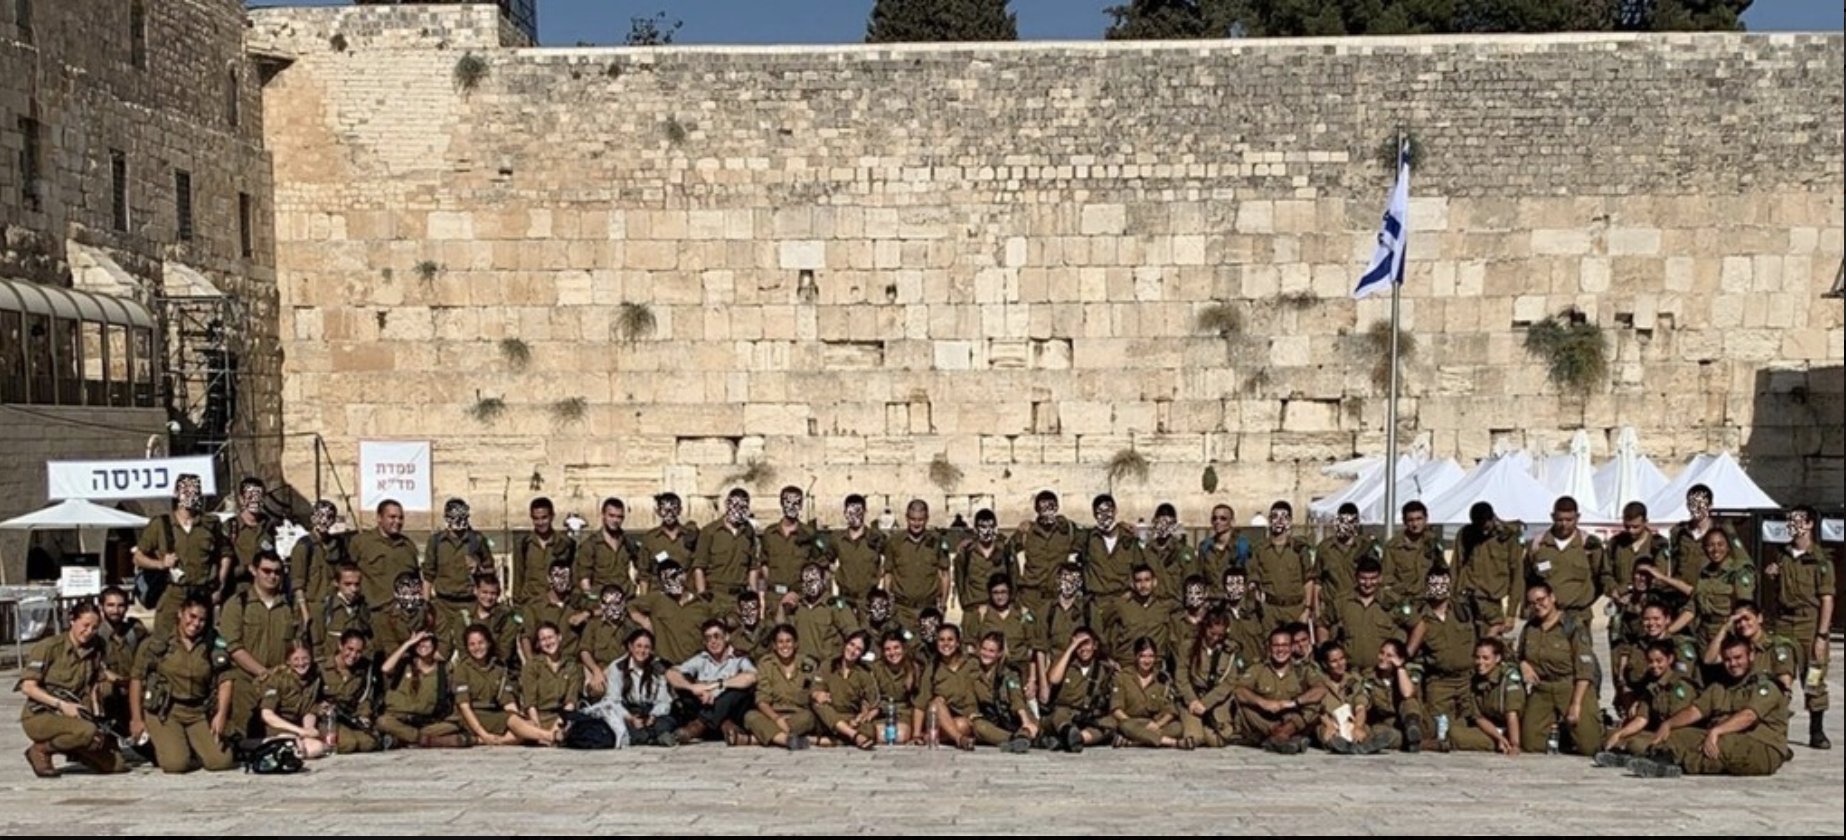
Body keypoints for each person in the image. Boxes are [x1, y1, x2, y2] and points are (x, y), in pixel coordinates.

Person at [1628, 634, 1794, 777]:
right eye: (1727, 659)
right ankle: (1660, 757)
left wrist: (1716, 731)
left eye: (1738, 658)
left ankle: (1677, 764)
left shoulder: (1765, 686)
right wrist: (1669, 724)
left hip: (1762, 746)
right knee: (1677, 735)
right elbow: (1695, 710)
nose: (1733, 664)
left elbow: (1749, 716)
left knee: (1722, 745)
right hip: (1726, 737)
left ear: (1751, 656)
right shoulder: (1720, 686)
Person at [18, 602, 126, 777]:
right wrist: (61, 705)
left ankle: (74, 748)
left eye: (94, 627)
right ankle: (41, 750)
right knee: (87, 731)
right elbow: (28, 687)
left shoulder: (96, 646)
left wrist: (128, 683)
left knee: (116, 764)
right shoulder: (49, 647)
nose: (89, 631)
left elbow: (98, 676)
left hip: (76, 715)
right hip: (42, 715)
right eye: (85, 625)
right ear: (72, 620)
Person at [131, 595, 236, 773]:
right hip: (165, 711)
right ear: (180, 613)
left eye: (202, 620)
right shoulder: (158, 643)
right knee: (176, 765)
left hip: (198, 712)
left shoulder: (212, 643)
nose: (196, 623)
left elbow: (225, 679)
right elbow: (137, 679)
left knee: (220, 762)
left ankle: (191, 746)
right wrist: (137, 719)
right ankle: (162, 745)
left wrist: (221, 715)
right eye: (192, 616)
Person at [1764, 503, 1833, 749]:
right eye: (1790, 520)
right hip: (1784, 624)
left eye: (1798, 520)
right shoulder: (1782, 555)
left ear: (1810, 524)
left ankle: (1817, 730)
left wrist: (1822, 636)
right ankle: (1778, 731)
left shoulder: (1820, 561)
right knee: (1781, 676)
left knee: (1814, 678)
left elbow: (1827, 599)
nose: (1792, 524)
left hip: (1809, 624)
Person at [132, 473, 230, 632]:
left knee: (201, 638)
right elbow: (138, 558)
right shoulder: (161, 524)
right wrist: (160, 564)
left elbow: (225, 554)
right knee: (165, 638)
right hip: (173, 592)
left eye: (194, 491)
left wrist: (220, 585)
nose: (190, 495)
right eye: (186, 491)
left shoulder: (210, 524)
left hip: (202, 593)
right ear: (177, 493)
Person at [220, 549, 301, 740]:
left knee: (282, 737)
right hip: (246, 682)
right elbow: (234, 647)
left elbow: (297, 642)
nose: (272, 576)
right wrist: (263, 673)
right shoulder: (238, 603)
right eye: (266, 571)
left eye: (277, 572)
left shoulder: (289, 605)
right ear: (253, 570)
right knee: (244, 735)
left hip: (280, 683)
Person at [1517, 582, 1604, 755]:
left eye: (1541, 600)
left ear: (1552, 598)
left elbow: (1585, 668)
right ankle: (1561, 731)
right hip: (1543, 688)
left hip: (1571, 686)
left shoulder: (1572, 626)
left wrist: (1576, 704)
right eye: (1532, 603)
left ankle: (1600, 728)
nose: (1537, 606)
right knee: (1531, 744)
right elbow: (1518, 654)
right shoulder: (1530, 628)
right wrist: (1523, 664)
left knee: (1590, 747)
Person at [1596, 639, 1698, 766]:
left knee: (1635, 744)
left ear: (1670, 659)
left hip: (1678, 735)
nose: (1654, 665)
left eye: (1659, 661)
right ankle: (1623, 754)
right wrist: (1620, 734)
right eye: (1650, 661)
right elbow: (1642, 719)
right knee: (1614, 735)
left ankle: (1641, 755)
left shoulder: (1680, 686)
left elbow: (1684, 719)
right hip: (1660, 732)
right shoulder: (1653, 686)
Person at [1406, 564, 1478, 730]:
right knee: (1437, 728)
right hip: (1439, 683)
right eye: (1434, 584)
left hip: (1467, 681)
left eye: (1443, 584)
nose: (1438, 588)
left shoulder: (1464, 611)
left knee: (1470, 726)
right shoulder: (1419, 616)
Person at [666, 619, 759, 744]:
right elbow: (671, 673)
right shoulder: (701, 658)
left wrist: (713, 687)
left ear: (726, 637)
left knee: (737, 692)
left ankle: (698, 726)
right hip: (705, 704)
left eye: (717, 636)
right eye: (708, 638)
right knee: (684, 690)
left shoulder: (738, 658)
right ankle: (725, 725)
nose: (713, 641)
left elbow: (752, 677)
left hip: (732, 709)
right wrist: (693, 688)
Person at [1234, 627, 1326, 753]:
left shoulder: (1303, 669)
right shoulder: (1258, 668)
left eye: (1284, 645)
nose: (1280, 650)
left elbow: (1320, 689)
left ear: (1292, 647)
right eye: (1276, 645)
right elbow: (1239, 690)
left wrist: (1293, 703)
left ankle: (1281, 736)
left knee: (1315, 704)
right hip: (1266, 720)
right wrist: (1263, 703)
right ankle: (1284, 737)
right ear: (1269, 648)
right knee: (1243, 706)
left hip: (1293, 718)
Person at [377, 629, 470, 749]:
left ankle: (403, 739)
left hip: (426, 722)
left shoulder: (444, 669)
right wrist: (408, 643)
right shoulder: (405, 664)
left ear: (434, 645)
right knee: (383, 722)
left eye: (426, 641)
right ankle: (427, 741)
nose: (422, 645)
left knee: (454, 725)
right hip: (398, 719)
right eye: (419, 642)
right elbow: (385, 668)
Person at [1523, 496, 1604, 628]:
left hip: (1578, 616)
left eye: (1569, 520)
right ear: (1552, 517)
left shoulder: (1589, 545)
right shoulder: (1538, 545)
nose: (1564, 524)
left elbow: (1601, 578)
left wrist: (1586, 600)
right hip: (1545, 616)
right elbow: (1527, 579)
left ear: (1577, 517)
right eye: (1559, 520)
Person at [1325, 558, 1410, 673]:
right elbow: (1322, 624)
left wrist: (1406, 655)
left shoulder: (1393, 601)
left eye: (1373, 578)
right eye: (1363, 578)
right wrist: (1326, 652)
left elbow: (1419, 625)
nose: (1368, 583)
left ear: (1380, 578)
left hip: (1382, 674)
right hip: (1349, 673)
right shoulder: (1342, 601)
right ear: (1356, 577)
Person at [507, 622, 583, 747]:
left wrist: (557, 725)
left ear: (559, 637)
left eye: (550, 637)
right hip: (537, 717)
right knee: (516, 726)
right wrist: (538, 728)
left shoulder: (571, 665)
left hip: (561, 717)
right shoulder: (532, 666)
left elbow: (571, 701)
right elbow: (530, 702)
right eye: (543, 639)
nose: (548, 642)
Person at [743, 624, 818, 750]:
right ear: (774, 645)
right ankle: (786, 740)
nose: (785, 646)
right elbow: (762, 700)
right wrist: (777, 719)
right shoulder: (766, 664)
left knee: (809, 718)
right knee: (750, 716)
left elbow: (814, 691)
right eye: (780, 642)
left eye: (788, 641)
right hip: (772, 714)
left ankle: (767, 736)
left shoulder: (808, 664)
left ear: (795, 644)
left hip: (797, 715)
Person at [1677, 529, 1756, 647]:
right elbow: (1691, 609)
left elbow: (1745, 607)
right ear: (1704, 549)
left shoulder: (1738, 572)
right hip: (1703, 634)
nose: (1715, 550)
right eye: (1710, 545)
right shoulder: (1703, 574)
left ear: (1728, 547)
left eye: (1720, 544)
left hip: (1728, 632)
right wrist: (1668, 631)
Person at [1454, 501, 1523, 637]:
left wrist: (1511, 613)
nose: (1483, 531)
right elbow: (1455, 567)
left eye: (1486, 527)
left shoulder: (1508, 538)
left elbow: (1517, 575)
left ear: (1492, 518)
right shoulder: (1466, 534)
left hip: (1491, 605)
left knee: (1490, 646)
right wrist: (1452, 599)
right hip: (1466, 601)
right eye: (1478, 527)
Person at [1447, 638, 1526, 755]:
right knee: (1453, 726)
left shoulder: (1508, 679)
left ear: (1497, 658)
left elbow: (1512, 715)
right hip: (1491, 728)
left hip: (1510, 729)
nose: (1480, 662)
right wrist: (1498, 737)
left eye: (1485, 658)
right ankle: (1498, 741)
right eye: (1477, 658)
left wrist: (1515, 745)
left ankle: (1503, 744)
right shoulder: (1476, 679)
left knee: (1456, 736)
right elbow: (1478, 717)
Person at [254, 640, 331, 759]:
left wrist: (308, 729)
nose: (301, 663)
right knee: (298, 747)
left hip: (298, 728)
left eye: (305, 658)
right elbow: (267, 715)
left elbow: (309, 709)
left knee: (317, 747)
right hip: (276, 728)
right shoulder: (277, 679)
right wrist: (300, 731)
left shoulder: (314, 678)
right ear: (288, 661)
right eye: (296, 659)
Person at [1109, 636, 1189, 749]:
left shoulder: (1162, 678)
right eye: (1142, 656)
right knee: (1124, 726)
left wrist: (1157, 725)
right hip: (1131, 722)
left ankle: (1133, 743)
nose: (1147, 660)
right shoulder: (1122, 677)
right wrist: (1137, 725)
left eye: (1151, 656)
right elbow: (1116, 709)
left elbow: (1170, 710)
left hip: (1154, 723)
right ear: (1136, 657)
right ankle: (1172, 743)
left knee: (1177, 728)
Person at [630, 560, 716, 664]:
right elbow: (630, 606)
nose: (672, 582)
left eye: (674, 577)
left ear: (683, 575)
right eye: (666, 580)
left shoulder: (701, 604)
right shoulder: (657, 599)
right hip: (665, 665)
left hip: (697, 664)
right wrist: (644, 621)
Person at [965, 573, 1039, 695]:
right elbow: (970, 646)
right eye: (995, 592)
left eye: (1003, 592)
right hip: (989, 672)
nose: (1000, 597)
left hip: (1019, 671)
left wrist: (1032, 680)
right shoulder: (981, 614)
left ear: (1010, 592)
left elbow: (1032, 651)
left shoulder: (1023, 614)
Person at [602, 629, 678, 746]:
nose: (642, 651)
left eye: (647, 647)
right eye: (639, 646)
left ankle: (652, 736)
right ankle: (654, 738)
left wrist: (653, 715)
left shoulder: (658, 668)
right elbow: (613, 700)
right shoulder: (618, 667)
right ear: (630, 647)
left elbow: (663, 700)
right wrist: (629, 718)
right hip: (629, 711)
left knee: (667, 722)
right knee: (622, 728)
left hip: (651, 711)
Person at [1175, 609, 1239, 748]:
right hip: (1192, 698)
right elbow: (1181, 677)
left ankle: (1205, 725)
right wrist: (1192, 700)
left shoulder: (1229, 650)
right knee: (1195, 738)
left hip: (1214, 700)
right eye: (1212, 633)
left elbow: (1229, 682)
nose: (1215, 638)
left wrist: (1205, 703)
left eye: (1220, 635)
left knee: (1218, 740)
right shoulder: (1188, 646)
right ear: (1205, 628)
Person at [1012, 490, 1081, 616]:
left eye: (1051, 507)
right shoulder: (1026, 533)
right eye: (1043, 508)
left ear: (1057, 508)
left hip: (1057, 596)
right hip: (1031, 597)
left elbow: (1087, 540)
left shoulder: (1068, 531)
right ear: (1037, 510)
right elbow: (1010, 559)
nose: (1047, 512)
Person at [1082, 494, 1146, 629]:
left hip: (1124, 601)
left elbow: (1141, 570)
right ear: (1094, 515)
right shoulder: (1087, 538)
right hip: (1098, 603)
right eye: (1100, 512)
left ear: (1115, 511)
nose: (1105, 515)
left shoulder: (1129, 540)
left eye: (1108, 510)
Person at [451, 624, 521, 747]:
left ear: (488, 643)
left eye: (481, 643)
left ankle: (493, 741)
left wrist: (519, 720)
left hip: (493, 715)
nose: (477, 647)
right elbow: (464, 707)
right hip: (472, 716)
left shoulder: (498, 668)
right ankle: (550, 736)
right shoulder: (462, 669)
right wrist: (483, 734)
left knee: (526, 725)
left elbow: (508, 702)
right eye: (472, 644)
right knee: (518, 724)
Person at [886, 499, 952, 627]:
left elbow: (945, 575)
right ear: (906, 518)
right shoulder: (895, 542)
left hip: (929, 609)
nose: (916, 524)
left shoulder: (937, 541)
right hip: (902, 610)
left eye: (920, 520)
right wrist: (888, 603)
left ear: (927, 519)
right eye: (913, 519)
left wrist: (943, 604)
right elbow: (888, 575)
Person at [426, 497, 495, 620]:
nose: (458, 521)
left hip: (469, 603)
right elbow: (428, 576)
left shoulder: (477, 540)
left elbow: (491, 572)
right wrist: (426, 608)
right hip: (442, 605)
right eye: (454, 517)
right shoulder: (436, 541)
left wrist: (478, 568)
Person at [1249, 500, 1315, 628]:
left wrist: (1307, 609)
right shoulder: (1259, 549)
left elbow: (1308, 580)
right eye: (1275, 516)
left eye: (1284, 517)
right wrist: (1255, 589)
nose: (1279, 521)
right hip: (1270, 610)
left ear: (1290, 521)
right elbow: (1254, 574)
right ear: (1269, 520)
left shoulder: (1300, 549)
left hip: (1295, 609)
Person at [811, 630, 881, 750]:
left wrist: (862, 715)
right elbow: (816, 688)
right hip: (829, 716)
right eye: (851, 645)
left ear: (862, 653)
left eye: (858, 649)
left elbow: (873, 702)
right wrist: (817, 694)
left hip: (850, 717)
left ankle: (827, 740)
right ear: (845, 644)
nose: (852, 651)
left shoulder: (864, 674)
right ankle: (852, 735)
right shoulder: (828, 665)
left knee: (869, 731)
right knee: (818, 705)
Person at [94, 586, 147, 739]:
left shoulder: (135, 631)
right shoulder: (95, 635)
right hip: (111, 688)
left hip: (135, 686)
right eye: (110, 605)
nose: (116, 610)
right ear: (101, 607)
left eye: (120, 605)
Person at [350, 498, 421, 613]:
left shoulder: (408, 546)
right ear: (379, 518)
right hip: (374, 612)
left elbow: (416, 580)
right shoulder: (361, 543)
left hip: (404, 613)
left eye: (401, 518)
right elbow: (347, 576)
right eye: (392, 517)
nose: (397, 521)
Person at [778, 562, 858, 663]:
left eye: (815, 580)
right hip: (801, 664)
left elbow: (853, 635)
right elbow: (781, 631)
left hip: (827, 665)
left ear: (823, 581)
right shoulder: (797, 606)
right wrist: (782, 606)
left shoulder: (835, 605)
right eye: (807, 581)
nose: (811, 585)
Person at [519, 559, 592, 664]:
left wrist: (587, 613)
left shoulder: (577, 602)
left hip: (571, 664)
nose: (562, 581)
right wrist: (531, 665)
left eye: (565, 577)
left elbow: (604, 608)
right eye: (558, 576)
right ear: (549, 578)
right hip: (544, 663)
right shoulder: (535, 607)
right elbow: (526, 638)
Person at [322, 628, 383, 754]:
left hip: (349, 717)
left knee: (369, 742)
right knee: (348, 744)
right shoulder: (321, 668)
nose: (353, 655)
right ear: (340, 646)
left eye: (358, 651)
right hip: (326, 719)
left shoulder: (364, 669)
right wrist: (321, 708)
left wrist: (364, 715)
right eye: (350, 649)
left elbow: (365, 697)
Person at [1315, 640, 1382, 754]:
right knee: (1325, 733)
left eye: (1342, 659)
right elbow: (1318, 710)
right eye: (1334, 661)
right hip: (1330, 723)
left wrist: (1357, 727)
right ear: (1325, 664)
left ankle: (1365, 744)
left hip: (1352, 722)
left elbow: (1360, 707)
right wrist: (1330, 725)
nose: (1340, 664)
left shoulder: (1354, 680)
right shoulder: (1318, 682)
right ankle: (1340, 745)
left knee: (1365, 730)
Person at [375, 570, 453, 663]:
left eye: (414, 593)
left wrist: (425, 659)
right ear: (395, 594)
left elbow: (444, 652)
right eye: (404, 593)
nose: (410, 598)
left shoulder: (435, 612)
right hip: (403, 663)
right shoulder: (387, 617)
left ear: (421, 592)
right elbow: (391, 651)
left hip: (432, 661)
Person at [513, 497, 578, 608]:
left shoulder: (566, 543)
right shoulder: (524, 543)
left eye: (544, 518)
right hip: (531, 603)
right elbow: (518, 575)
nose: (540, 522)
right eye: (536, 518)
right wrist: (517, 603)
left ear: (552, 516)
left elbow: (574, 574)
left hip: (558, 603)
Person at [576, 496, 645, 600]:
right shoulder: (590, 545)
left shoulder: (628, 542)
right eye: (611, 516)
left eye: (619, 517)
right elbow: (584, 578)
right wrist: (590, 599)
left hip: (626, 596)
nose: (615, 520)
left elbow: (642, 567)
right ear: (603, 515)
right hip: (602, 598)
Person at [1365, 639, 1428, 753]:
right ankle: (1411, 741)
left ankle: (1412, 730)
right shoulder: (1371, 677)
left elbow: (1407, 693)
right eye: (1382, 653)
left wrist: (1400, 668)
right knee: (1376, 731)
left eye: (1389, 655)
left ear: (1400, 659)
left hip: (1414, 720)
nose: (1383, 658)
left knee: (1409, 702)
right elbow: (1365, 699)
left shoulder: (1411, 671)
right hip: (1391, 724)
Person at [694, 488, 759, 596]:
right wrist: (702, 594)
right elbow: (699, 566)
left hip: (740, 595)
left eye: (742, 507)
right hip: (716, 593)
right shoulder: (710, 531)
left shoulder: (748, 532)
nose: (738, 510)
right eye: (734, 506)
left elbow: (753, 567)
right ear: (727, 505)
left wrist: (753, 595)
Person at [759, 486, 823, 596]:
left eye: (796, 503)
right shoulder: (769, 534)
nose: (792, 507)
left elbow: (820, 564)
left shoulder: (809, 533)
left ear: (801, 506)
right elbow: (764, 563)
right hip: (774, 596)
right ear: (781, 503)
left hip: (800, 596)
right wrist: (771, 583)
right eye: (788, 502)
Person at [825, 494, 886, 604]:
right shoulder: (837, 540)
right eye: (851, 512)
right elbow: (825, 562)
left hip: (870, 600)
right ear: (845, 513)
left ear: (865, 512)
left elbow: (889, 563)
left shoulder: (877, 538)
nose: (854, 516)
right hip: (845, 600)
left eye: (858, 512)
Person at [1315, 503, 1377, 608]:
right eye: (1342, 521)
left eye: (1350, 522)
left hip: (1357, 607)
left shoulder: (1366, 548)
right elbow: (1317, 581)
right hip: (1331, 607)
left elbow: (1375, 579)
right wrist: (1316, 611)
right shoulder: (1325, 548)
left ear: (1357, 523)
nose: (1346, 526)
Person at [953, 509, 1015, 615]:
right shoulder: (967, 551)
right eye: (983, 527)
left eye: (991, 527)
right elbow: (959, 578)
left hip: (999, 608)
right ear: (976, 529)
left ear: (995, 528)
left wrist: (1011, 602)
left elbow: (1013, 577)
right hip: (973, 607)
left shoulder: (1005, 550)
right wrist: (964, 602)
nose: (987, 531)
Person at [224, 476, 277, 599]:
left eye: (259, 497)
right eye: (250, 497)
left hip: (264, 592)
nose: (255, 501)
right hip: (237, 592)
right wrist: (246, 569)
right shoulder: (230, 526)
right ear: (241, 499)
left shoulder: (268, 526)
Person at [1108, 565, 1171, 667]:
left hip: (1154, 664)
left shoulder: (1165, 606)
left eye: (1147, 580)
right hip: (1127, 663)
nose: (1143, 585)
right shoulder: (1121, 605)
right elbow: (1101, 627)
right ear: (1132, 584)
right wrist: (1108, 657)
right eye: (1138, 581)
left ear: (1154, 582)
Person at [1380, 501, 1444, 601]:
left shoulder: (1432, 543)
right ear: (1404, 521)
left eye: (1419, 519)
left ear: (1426, 519)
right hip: (1404, 600)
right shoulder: (1393, 547)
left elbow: (1442, 572)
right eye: (1410, 520)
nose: (1415, 524)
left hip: (1429, 600)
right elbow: (1387, 580)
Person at [452, 574, 519, 669]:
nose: (488, 597)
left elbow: (504, 653)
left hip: (496, 668)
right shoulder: (464, 616)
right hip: (469, 668)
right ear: (476, 591)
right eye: (484, 592)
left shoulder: (506, 618)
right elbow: (462, 650)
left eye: (493, 593)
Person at [870, 629, 924, 745]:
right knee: (880, 735)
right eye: (888, 649)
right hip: (882, 713)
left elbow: (918, 701)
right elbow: (872, 697)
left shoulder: (914, 669)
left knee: (899, 735)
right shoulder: (876, 669)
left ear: (903, 648)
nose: (892, 653)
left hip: (904, 713)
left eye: (896, 648)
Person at [640, 493, 699, 595]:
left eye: (673, 509)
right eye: (665, 510)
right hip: (658, 595)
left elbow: (699, 567)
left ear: (680, 510)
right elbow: (643, 575)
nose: (669, 514)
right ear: (658, 511)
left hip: (684, 595)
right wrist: (643, 601)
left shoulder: (691, 536)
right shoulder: (650, 539)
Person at [581, 584, 634, 697]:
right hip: (598, 673)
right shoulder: (593, 625)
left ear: (624, 603)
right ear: (601, 605)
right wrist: (596, 671)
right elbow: (584, 651)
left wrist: (610, 671)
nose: (613, 608)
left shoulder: (631, 626)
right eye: (609, 604)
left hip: (622, 675)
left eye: (617, 603)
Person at [311, 562, 372, 659]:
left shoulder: (364, 609)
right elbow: (316, 646)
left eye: (357, 584)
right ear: (336, 583)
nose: (353, 589)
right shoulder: (324, 609)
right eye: (348, 584)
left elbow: (370, 643)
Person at [1217, 566, 1271, 667]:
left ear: (1245, 586)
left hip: (1258, 666)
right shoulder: (1219, 614)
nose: (1235, 588)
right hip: (1232, 668)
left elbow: (1269, 638)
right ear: (1224, 587)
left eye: (1239, 584)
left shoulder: (1258, 612)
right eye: (1230, 584)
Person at [1143, 503, 1197, 604]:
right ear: (1154, 522)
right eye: (1160, 521)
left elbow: (1191, 583)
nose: (1163, 526)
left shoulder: (1184, 552)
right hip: (1152, 606)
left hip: (1176, 606)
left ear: (1174, 525)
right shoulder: (1146, 552)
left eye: (1168, 522)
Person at [1195, 504, 1242, 587]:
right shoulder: (1205, 547)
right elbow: (1200, 576)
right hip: (1211, 594)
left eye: (1223, 518)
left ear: (1232, 522)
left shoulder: (1241, 546)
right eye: (1214, 518)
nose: (1217, 522)